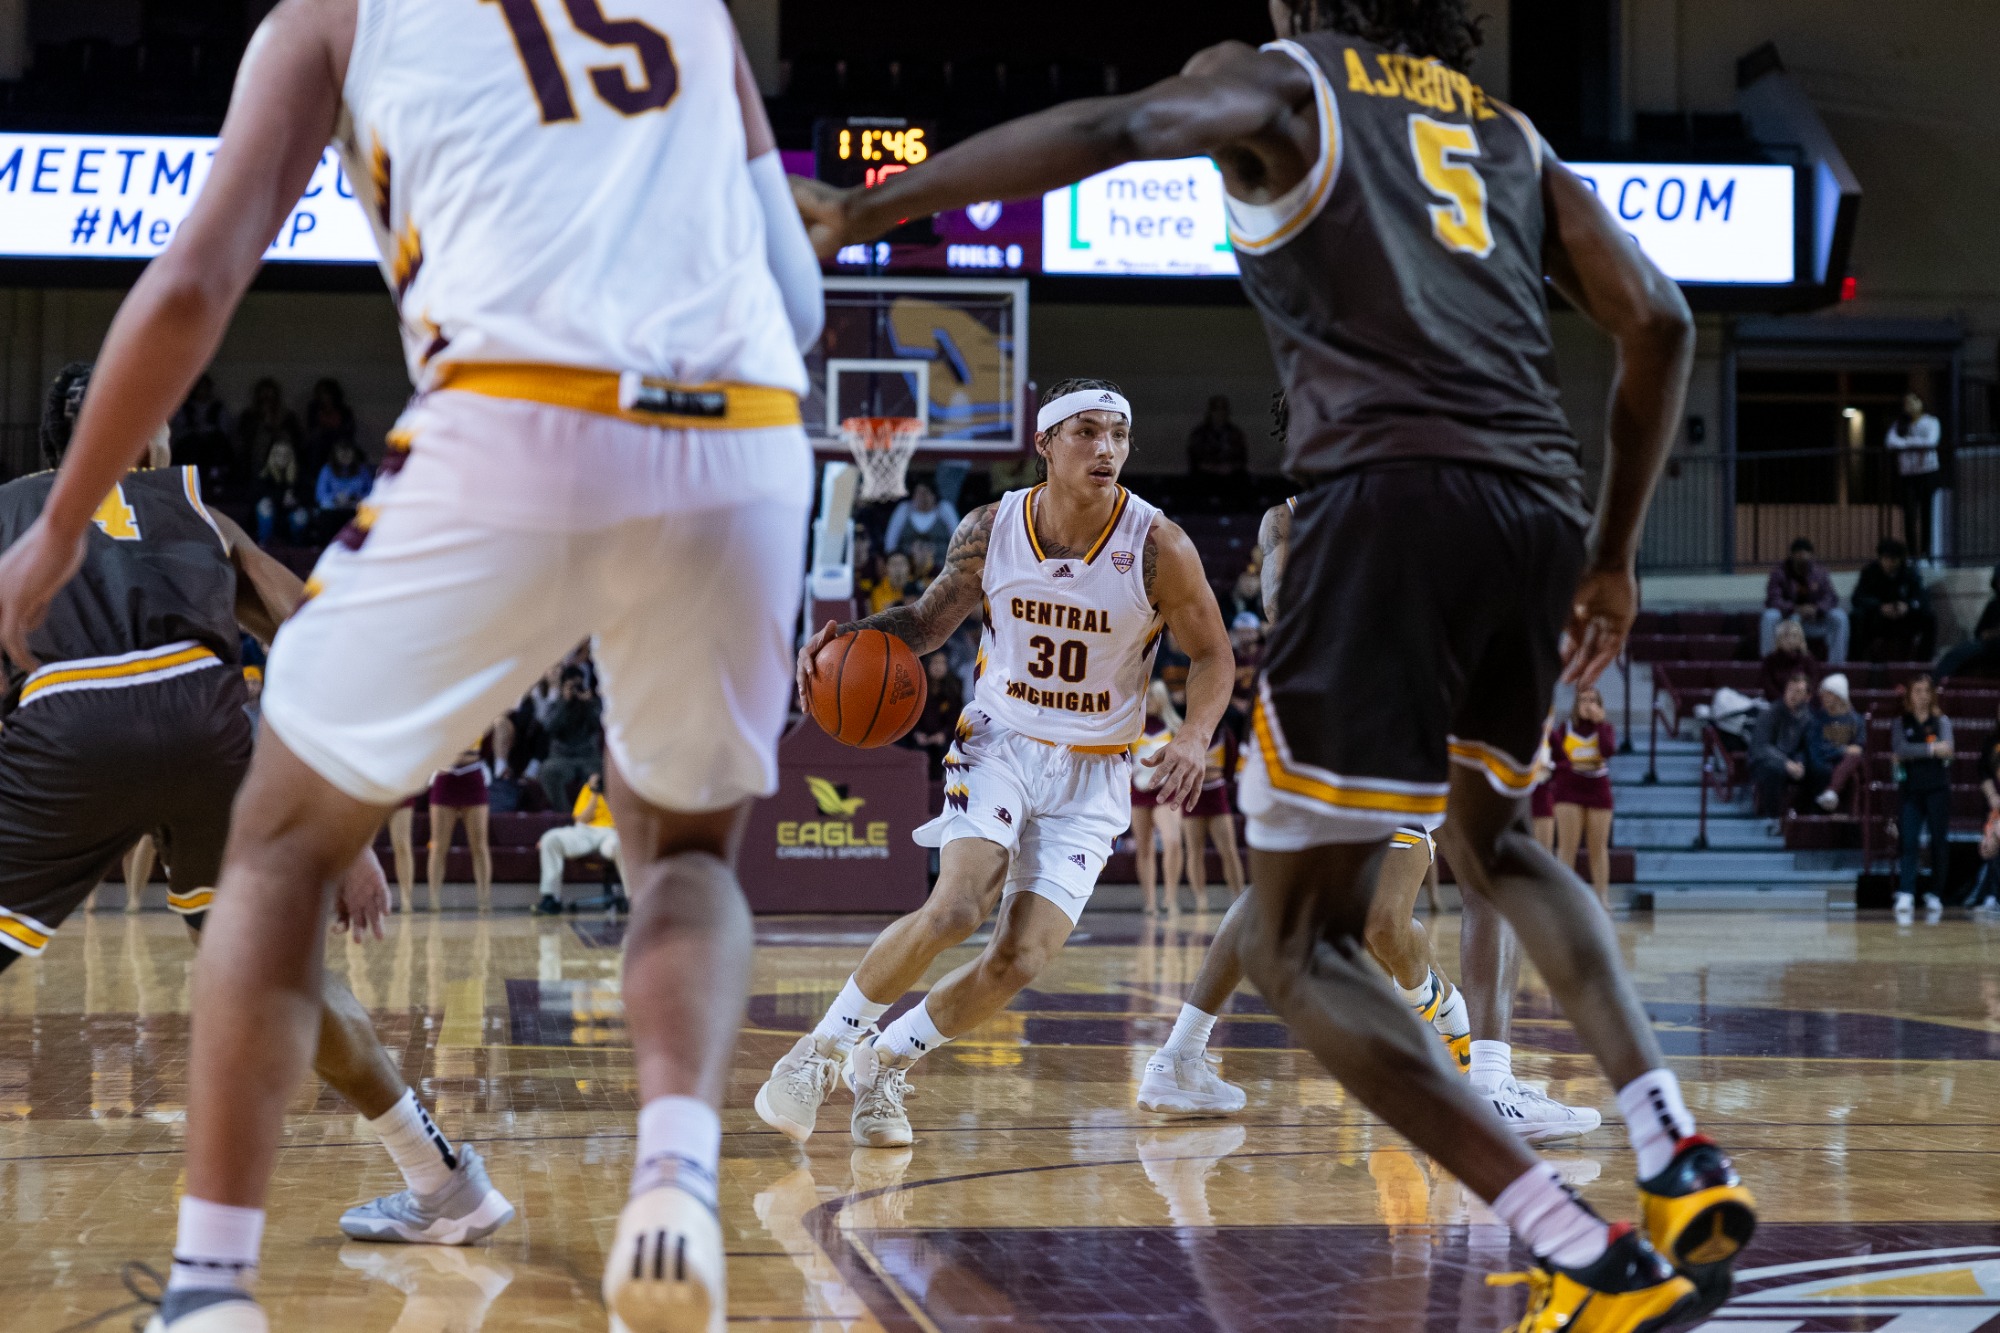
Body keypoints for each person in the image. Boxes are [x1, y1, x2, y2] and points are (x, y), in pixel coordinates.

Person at [791, 4, 1755, 1323]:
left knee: (1299, 945)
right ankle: (1676, 1150)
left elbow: (1117, 128)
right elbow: (1659, 322)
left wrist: (871, 210)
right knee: (1501, 846)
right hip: (1541, 506)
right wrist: (1614, 557)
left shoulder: (1285, 83)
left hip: (1389, 501)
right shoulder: (1505, 130)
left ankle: (1574, 1242)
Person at [0, 2, 826, 1326]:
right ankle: (674, 1171)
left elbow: (196, 286)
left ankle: (211, 1286)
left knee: (277, 849)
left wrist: (55, 525)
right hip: (745, 437)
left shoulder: (326, 16)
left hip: (519, 418)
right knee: (686, 859)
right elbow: (799, 299)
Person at [0, 364, 513, 1268]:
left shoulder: (13, 510)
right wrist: (344, 824)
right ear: (151, 433)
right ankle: (444, 1185)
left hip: (70, 713)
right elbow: (308, 632)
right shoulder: (196, 507)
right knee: (290, 978)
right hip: (210, 718)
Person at [755, 378, 1235, 1154]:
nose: (1105, 448)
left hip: (1096, 766)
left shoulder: (1156, 545)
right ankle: (818, 1052)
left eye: (1117, 433)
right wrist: (846, 637)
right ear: (1044, 444)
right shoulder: (993, 528)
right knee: (955, 909)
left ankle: (885, 1062)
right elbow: (924, 621)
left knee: (1021, 958)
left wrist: (1194, 734)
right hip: (1001, 741)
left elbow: (1213, 652)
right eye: (1085, 431)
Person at [1137, 496, 1595, 1138]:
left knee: (1387, 912)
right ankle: (1488, 1081)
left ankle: (1182, 1054)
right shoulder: (1303, 514)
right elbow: (1282, 607)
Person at [1892, 674, 1954, 918]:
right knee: (1909, 840)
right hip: (1911, 790)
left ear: (1932, 694)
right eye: (1917, 691)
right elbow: (1900, 749)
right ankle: (1906, 890)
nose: (1922, 696)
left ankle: (1936, 893)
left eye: (1926, 691)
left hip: (1938, 789)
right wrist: (1931, 749)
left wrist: (1916, 752)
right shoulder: (1901, 722)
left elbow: (1949, 749)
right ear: (1910, 695)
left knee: (1939, 841)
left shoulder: (1942, 721)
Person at [1551, 688, 1616, 910]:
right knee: (1567, 847)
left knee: (1598, 847)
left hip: (1598, 788)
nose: (1588, 704)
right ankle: (1562, 898)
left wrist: (1600, 723)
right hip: (1569, 790)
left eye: (1593, 700)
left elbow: (1608, 750)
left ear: (1600, 705)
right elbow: (1555, 760)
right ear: (1575, 705)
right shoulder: (1564, 729)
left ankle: (1602, 898)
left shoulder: (1605, 728)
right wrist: (1572, 766)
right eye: (1583, 700)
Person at [1130, 680, 1187, 915]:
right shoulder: (1132, 727)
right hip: (1139, 791)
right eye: (1147, 696)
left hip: (1167, 791)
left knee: (1173, 840)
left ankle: (1170, 899)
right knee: (1144, 847)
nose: (1150, 700)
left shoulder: (1174, 727)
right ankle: (1150, 902)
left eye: (1154, 695)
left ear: (1163, 698)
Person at [534, 772, 624, 916]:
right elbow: (581, 819)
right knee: (550, 839)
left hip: (613, 833)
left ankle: (634, 900)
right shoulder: (589, 788)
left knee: (618, 847)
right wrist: (595, 793)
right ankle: (551, 898)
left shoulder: (625, 787)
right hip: (585, 832)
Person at [1180, 719, 1246, 907]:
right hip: (1192, 793)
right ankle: (1201, 900)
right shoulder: (1184, 732)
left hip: (1217, 793)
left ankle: (1237, 897)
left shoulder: (1225, 734)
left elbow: (1231, 766)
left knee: (1229, 850)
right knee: (1194, 851)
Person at [1761, 537, 1849, 664]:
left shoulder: (1820, 573)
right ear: (1792, 555)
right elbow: (1774, 600)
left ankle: (1836, 664)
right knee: (1769, 616)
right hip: (1788, 621)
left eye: (1805, 553)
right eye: (1798, 553)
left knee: (1839, 616)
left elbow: (1831, 597)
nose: (1802, 556)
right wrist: (1794, 609)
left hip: (1814, 621)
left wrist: (1816, 609)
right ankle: (1769, 663)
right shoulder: (1779, 573)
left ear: (1811, 555)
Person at [427, 747, 493, 912]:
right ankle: (434, 901)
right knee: (437, 845)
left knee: (479, 845)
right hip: (445, 775)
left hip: (472, 774)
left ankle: (484, 901)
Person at [1852, 537, 1935, 662]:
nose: (1889, 563)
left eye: (1893, 559)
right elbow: (1858, 598)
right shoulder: (1870, 572)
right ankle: (1858, 664)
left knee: (1929, 618)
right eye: (1885, 559)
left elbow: (1922, 599)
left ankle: (1922, 664)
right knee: (1856, 617)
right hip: (1878, 620)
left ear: (1900, 560)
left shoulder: (1910, 573)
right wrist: (1879, 607)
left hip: (1904, 620)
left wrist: (1908, 606)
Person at [537, 669, 603, 820]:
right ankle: (566, 815)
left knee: (602, 774)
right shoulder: (556, 703)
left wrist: (589, 704)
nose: (575, 690)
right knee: (547, 771)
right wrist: (564, 703)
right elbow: (549, 728)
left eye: (578, 685)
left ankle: (593, 815)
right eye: (571, 686)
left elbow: (598, 724)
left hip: (588, 757)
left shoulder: (592, 702)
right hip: (561, 757)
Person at [1747, 673, 1814, 817]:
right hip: (1767, 762)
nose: (1792, 695)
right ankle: (1773, 817)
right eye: (1790, 690)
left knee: (1818, 769)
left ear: (1807, 697)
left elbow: (1805, 747)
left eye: (1798, 692)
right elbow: (1761, 747)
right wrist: (1786, 763)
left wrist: (1800, 763)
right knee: (1773, 770)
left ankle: (1804, 821)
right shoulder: (1770, 713)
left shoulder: (1808, 718)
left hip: (1794, 763)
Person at [1886, 393, 1942, 562]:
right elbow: (1890, 442)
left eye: (1913, 401)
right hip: (1908, 475)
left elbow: (1931, 442)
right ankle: (1912, 554)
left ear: (1921, 403)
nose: (1909, 405)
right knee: (1909, 515)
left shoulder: (1931, 422)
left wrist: (1907, 442)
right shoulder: (1900, 424)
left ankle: (1926, 553)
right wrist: (1916, 442)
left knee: (1927, 514)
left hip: (1927, 472)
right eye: (1906, 402)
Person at [1806, 673, 1867, 815]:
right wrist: (1843, 750)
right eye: (1823, 694)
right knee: (1852, 776)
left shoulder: (1856, 720)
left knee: (1854, 763)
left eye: (1828, 694)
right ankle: (1846, 817)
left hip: (1849, 764)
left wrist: (1847, 752)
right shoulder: (1817, 720)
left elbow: (1860, 747)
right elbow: (1818, 747)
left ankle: (1833, 793)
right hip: (1825, 763)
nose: (1823, 697)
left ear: (1838, 696)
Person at [903, 651, 965, 779]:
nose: (939, 667)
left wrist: (943, 734)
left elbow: (956, 718)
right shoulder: (917, 687)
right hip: (919, 738)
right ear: (927, 664)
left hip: (944, 738)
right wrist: (917, 733)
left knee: (947, 752)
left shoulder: (954, 687)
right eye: (935, 662)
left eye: (942, 663)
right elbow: (909, 714)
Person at [1938, 564, 2000, 680]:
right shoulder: (1994, 605)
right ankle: (1937, 682)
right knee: (1956, 654)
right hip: (1989, 646)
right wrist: (1990, 634)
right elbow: (1980, 633)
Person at [233, 378, 301, 484]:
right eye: (263, 396)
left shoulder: (287, 416)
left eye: (270, 396)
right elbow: (242, 437)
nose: (267, 399)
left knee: (282, 437)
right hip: (254, 455)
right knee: (263, 436)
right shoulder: (248, 415)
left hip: (281, 454)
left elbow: (295, 438)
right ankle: (259, 480)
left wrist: (275, 425)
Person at [169, 375, 234, 484]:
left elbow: (225, 431)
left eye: (205, 387)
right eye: (199, 388)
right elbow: (178, 431)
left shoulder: (218, 407)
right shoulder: (184, 408)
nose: (202, 391)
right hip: (190, 447)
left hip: (213, 446)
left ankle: (216, 476)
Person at [314, 436, 374, 540]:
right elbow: (320, 494)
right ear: (335, 455)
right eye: (341, 453)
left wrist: (359, 498)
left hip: (355, 508)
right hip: (334, 509)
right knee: (325, 513)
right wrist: (335, 498)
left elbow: (372, 491)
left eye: (348, 452)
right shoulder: (327, 470)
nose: (345, 455)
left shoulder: (362, 470)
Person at [252, 440, 310, 546]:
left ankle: (297, 545)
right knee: (264, 505)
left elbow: (307, 494)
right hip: (271, 512)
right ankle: (264, 543)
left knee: (301, 515)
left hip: (290, 512)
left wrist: (295, 500)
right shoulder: (264, 473)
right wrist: (281, 498)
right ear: (272, 455)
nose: (282, 457)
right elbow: (258, 494)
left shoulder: (299, 474)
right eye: (278, 454)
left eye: (286, 454)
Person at [882, 478, 960, 556]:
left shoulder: (944, 508)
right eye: (918, 493)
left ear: (934, 495)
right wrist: (890, 557)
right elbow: (891, 539)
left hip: (940, 562)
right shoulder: (904, 509)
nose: (922, 497)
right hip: (909, 564)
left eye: (925, 492)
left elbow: (958, 538)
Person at [1186, 394, 1248, 477]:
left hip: (1230, 474)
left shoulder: (1235, 433)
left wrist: (1230, 467)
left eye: (1223, 409)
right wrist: (1213, 468)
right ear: (1210, 412)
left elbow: (1242, 457)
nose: (1220, 413)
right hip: (1206, 475)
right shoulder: (1199, 433)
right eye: (1216, 409)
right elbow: (1195, 459)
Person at [1760, 616, 1818, 701]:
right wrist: (1785, 702)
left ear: (1800, 638)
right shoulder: (1770, 660)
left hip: (1803, 703)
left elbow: (1813, 683)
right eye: (1786, 636)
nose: (1790, 640)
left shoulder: (1808, 658)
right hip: (1777, 704)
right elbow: (1768, 686)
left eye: (1794, 636)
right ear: (1778, 639)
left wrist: (1801, 699)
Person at [868, 550, 920, 614]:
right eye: (894, 564)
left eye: (902, 564)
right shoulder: (877, 592)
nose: (898, 568)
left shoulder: (918, 587)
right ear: (886, 568)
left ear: (909, 567)